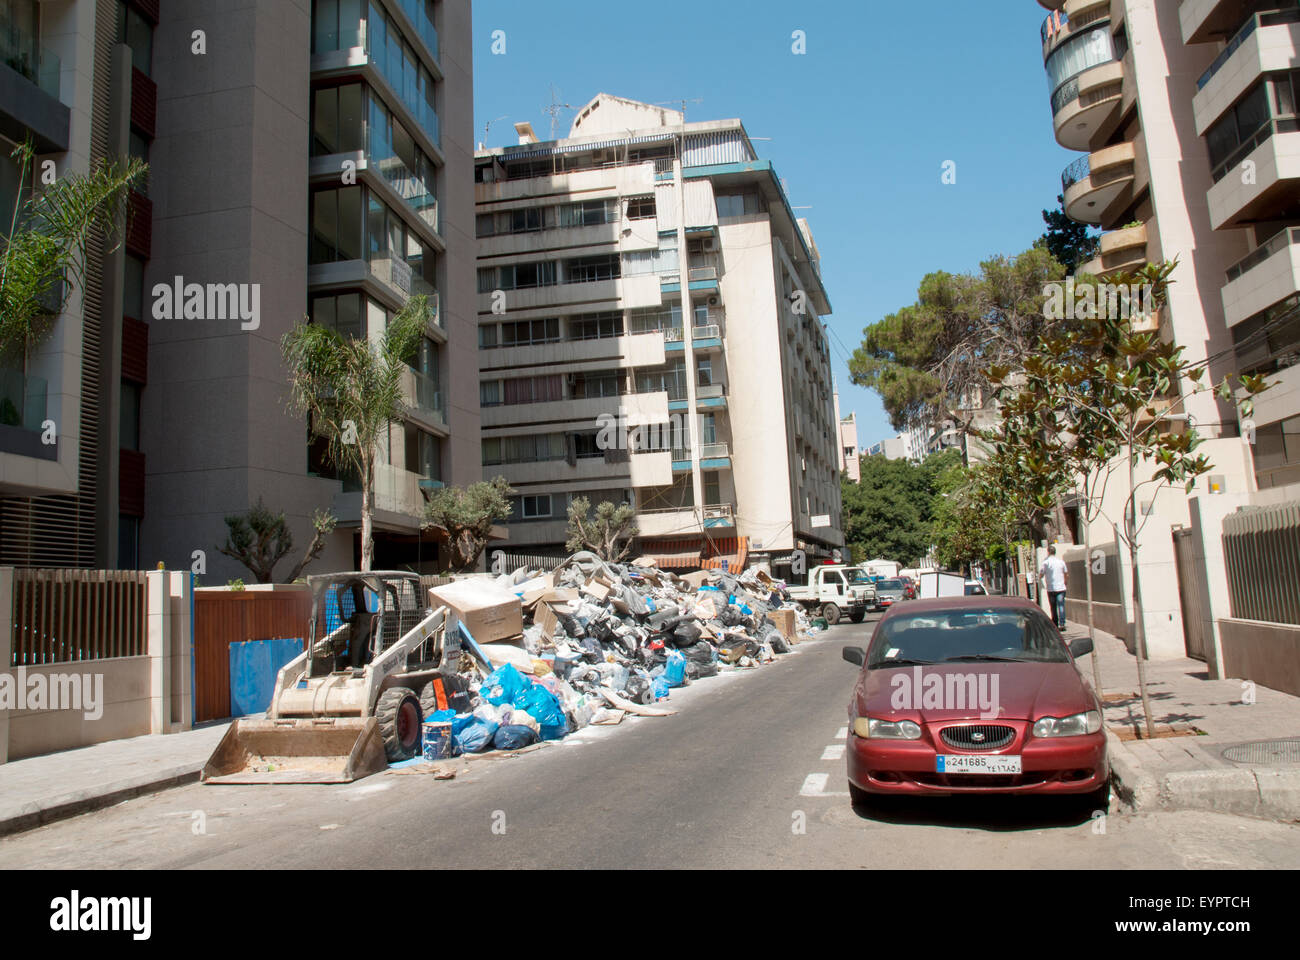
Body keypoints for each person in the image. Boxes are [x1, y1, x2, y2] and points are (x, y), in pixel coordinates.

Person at [1039, 545, 1069, 630]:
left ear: (1048, 552)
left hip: (1051, 588)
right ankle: (1062, 624)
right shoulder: (1061, 562)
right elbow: (1066, 573)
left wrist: (1040, 576)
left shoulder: (1046, 562)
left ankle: (1055, 623)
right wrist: (1065, 581)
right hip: (1061, 587)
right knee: (1061, 605)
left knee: (1053, 606)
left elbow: (1041, 574)